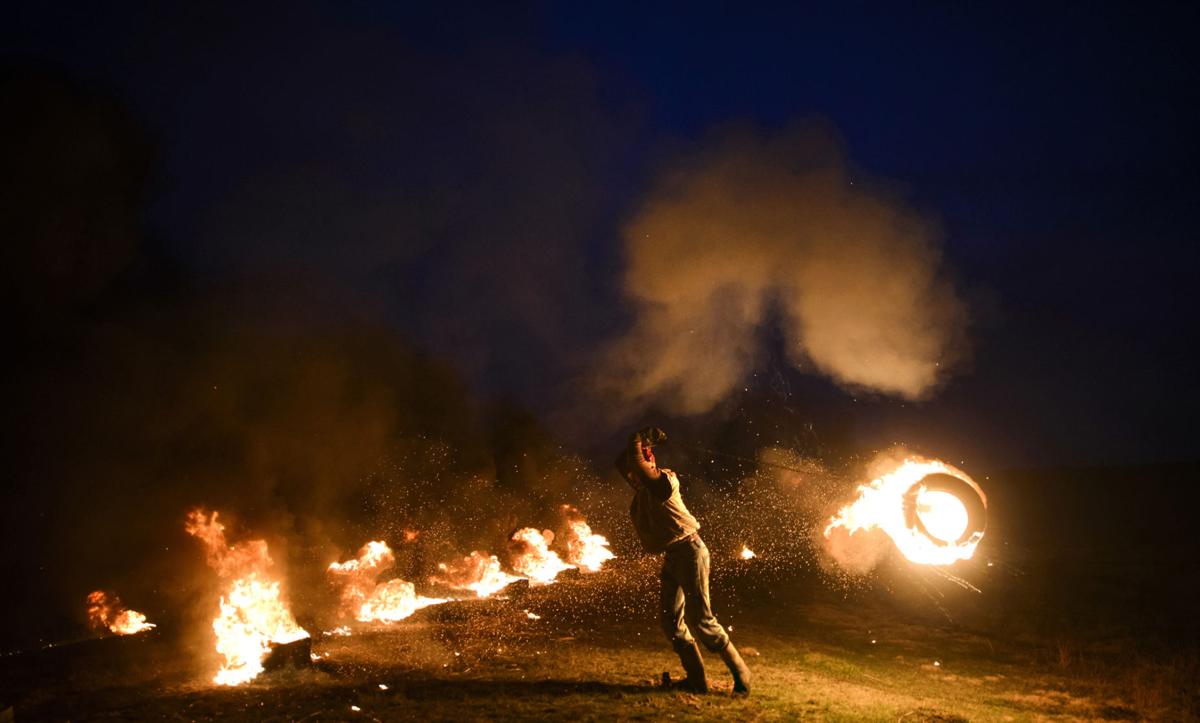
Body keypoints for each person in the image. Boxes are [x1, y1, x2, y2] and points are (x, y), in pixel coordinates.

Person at [615, 427, 751, 694]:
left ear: (650, 462)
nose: (631, 476)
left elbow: (640, 468)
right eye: (629, 473)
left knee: (703, 621)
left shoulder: (664, 482)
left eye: (637, 468)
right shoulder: (642, 493)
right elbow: (627, 465)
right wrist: (639, 444)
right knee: (670, 622)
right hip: (674, 556)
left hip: (691, 552)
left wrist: (637, 440)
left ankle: (742, 674)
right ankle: (697, 681)